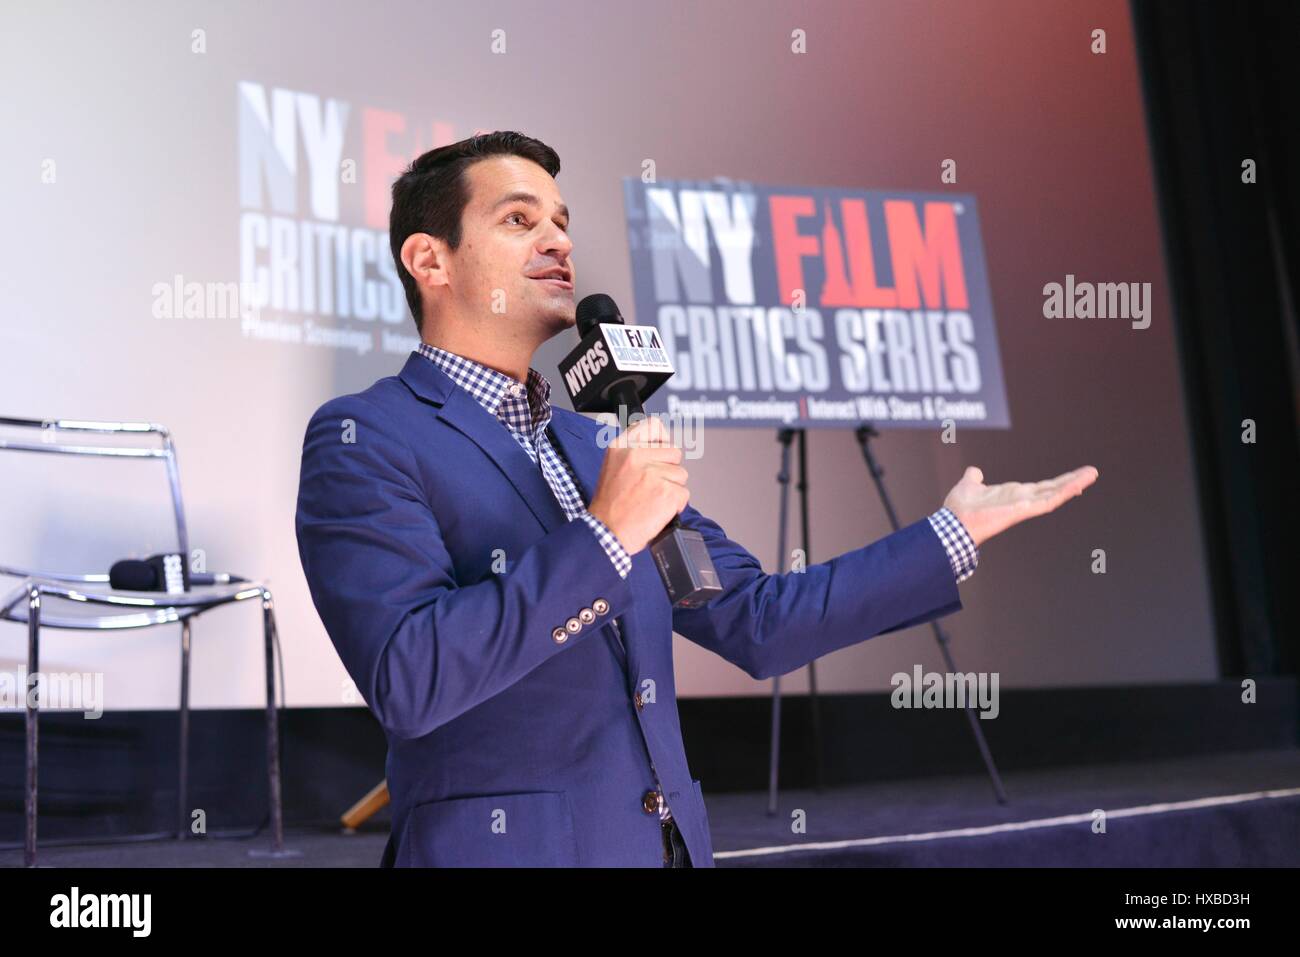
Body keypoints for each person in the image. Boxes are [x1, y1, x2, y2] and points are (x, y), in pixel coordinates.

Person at [294, 131, 1098, 868]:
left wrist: (952, 534)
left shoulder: (599, 443)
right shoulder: (366, 436)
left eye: (563, 221)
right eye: (519, 219)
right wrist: (606, 539)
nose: (560, 240)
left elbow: (757, 619)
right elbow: (410, 677)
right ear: (430, 261)